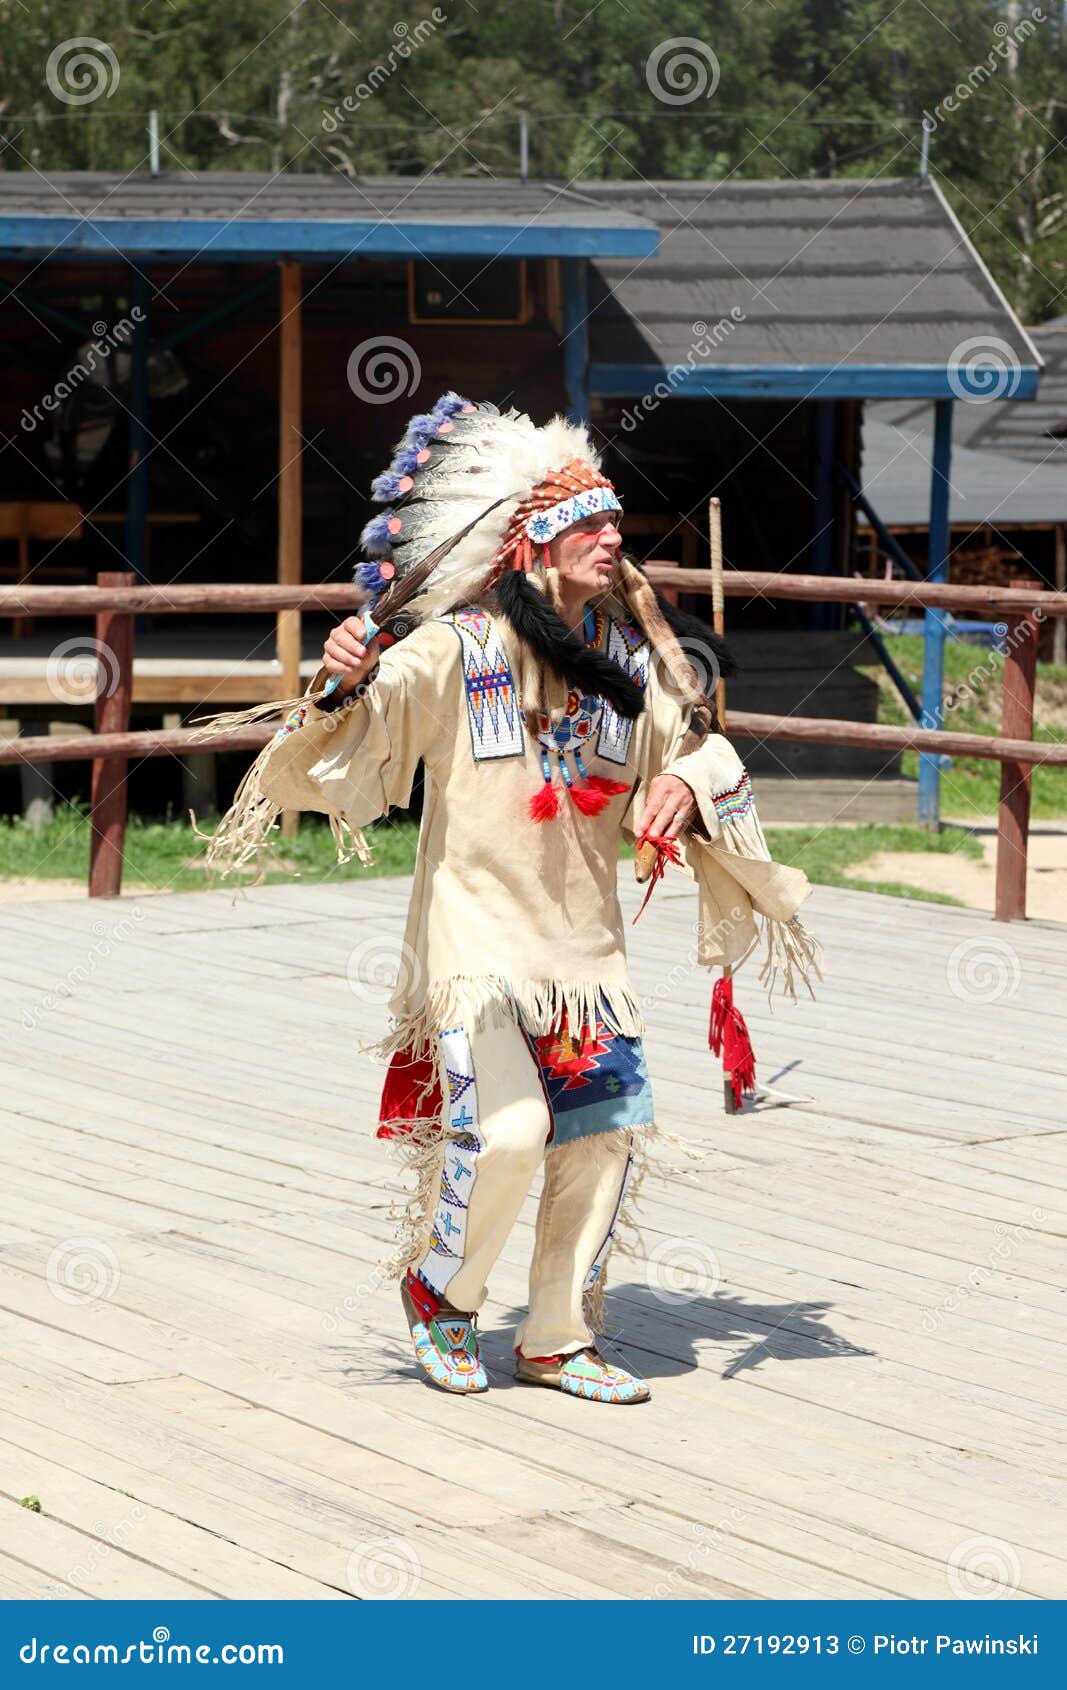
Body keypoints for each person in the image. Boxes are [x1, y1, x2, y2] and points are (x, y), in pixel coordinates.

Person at [200, 393, 819, 1406]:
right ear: (531, 548)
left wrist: (684, 782)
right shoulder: (455, 651)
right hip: (475, 947)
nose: (610, 536)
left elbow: (704, 751)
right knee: (512, 1130)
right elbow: (345, 754)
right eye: (586, 523)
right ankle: (440, 1294)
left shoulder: (628, 669)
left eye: (615, 522)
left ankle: (556, 1334)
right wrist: (337, 682)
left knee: (601, 1138)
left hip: (584, 960)